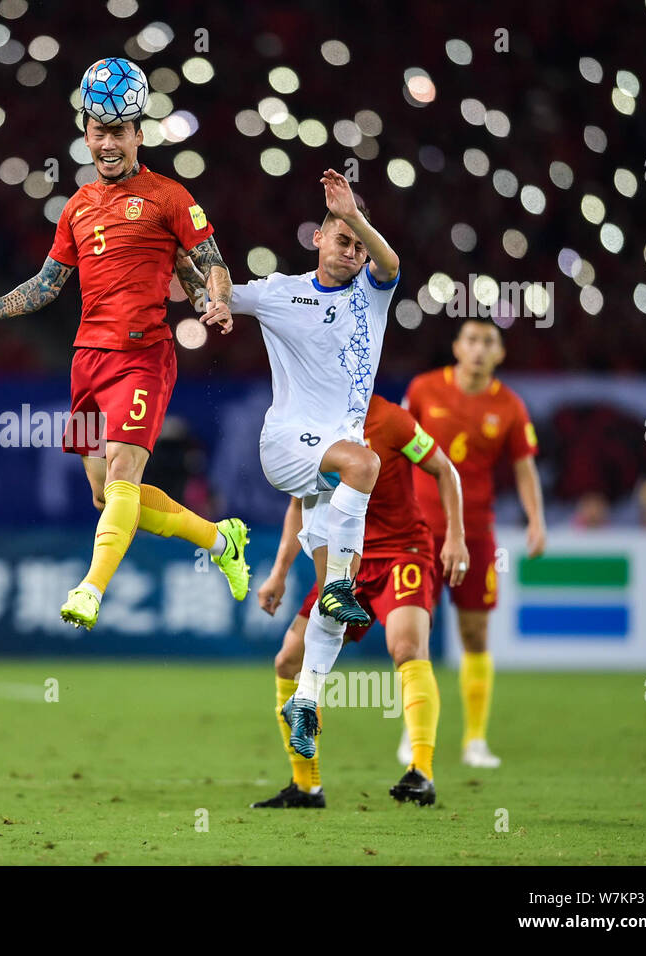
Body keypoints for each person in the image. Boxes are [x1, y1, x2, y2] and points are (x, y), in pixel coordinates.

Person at [0, 65, 249, 629]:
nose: (107, 142)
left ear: (138, 134)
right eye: (98, 129)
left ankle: (90, 587)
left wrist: (220, 301)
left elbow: (215, 265)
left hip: (143, 357)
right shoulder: (77, 207)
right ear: (85, 133)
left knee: (122, 477)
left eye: (119, 130)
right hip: (87, 364)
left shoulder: (169, 197)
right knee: (103, 498)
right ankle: (220, 538)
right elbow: (45, 285)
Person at [227, 170, 400, 759]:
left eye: (357, 241)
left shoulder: (372, 295)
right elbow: (218, 292)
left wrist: (354, 215)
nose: (351, 250)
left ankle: (305, 698)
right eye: (341, 238)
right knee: (366, 464)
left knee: (334, 603)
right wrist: (206, 297)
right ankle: (340, 586)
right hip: (288, 444)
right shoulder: (281, 292)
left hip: (329, 471)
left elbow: (392, 263)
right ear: (317, 239)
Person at [253, 396, 468, 808]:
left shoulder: (391, 419)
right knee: (287, 661)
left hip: (401, 551)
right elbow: (299, 502)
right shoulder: (310, 419)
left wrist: (455, 535)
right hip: (344, 564)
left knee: (406, 647)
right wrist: (280, 571)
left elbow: (444, 469)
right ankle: (306, 786)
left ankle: (421, 771)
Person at [405, 317, 544, 768]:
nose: (480, 349)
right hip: (420, 531)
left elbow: (524, 468)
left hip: (476, 533)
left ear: (500, 353)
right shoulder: (424, 390)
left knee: (474, 634)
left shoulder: (509, 406)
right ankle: (415, 735)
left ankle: (475, 740)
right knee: (414, 633)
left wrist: (536, 520)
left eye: (489, 341)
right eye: (472, 340)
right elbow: (393, 444)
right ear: (457, 347)